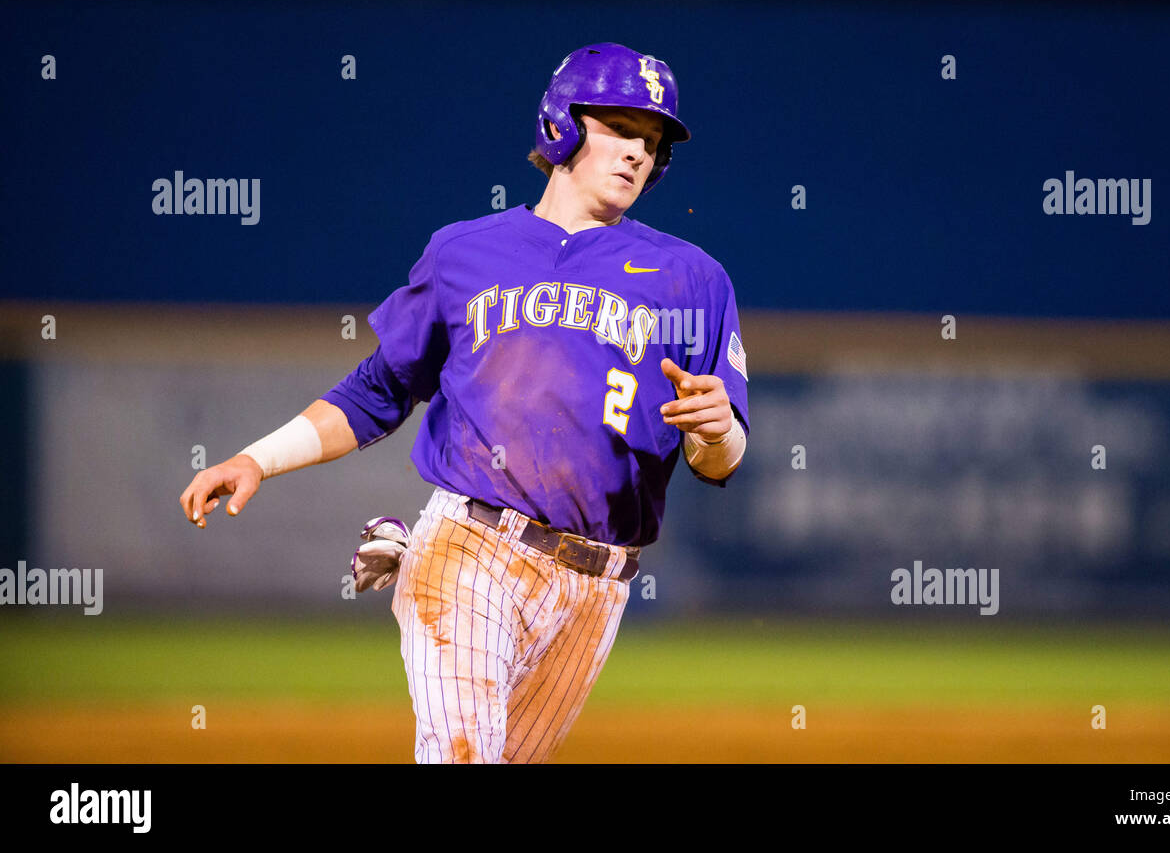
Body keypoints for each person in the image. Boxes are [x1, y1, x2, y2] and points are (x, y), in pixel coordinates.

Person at [178, 42, 751, 763]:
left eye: (652, 140)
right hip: (474, 547)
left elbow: (720, 456)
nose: (638, 151)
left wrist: (717, 428)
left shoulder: (691, 278)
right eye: (619, 127)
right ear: (562, 125)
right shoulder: (465, 253)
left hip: (600, 583)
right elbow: (379, 391)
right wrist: (257, 458)